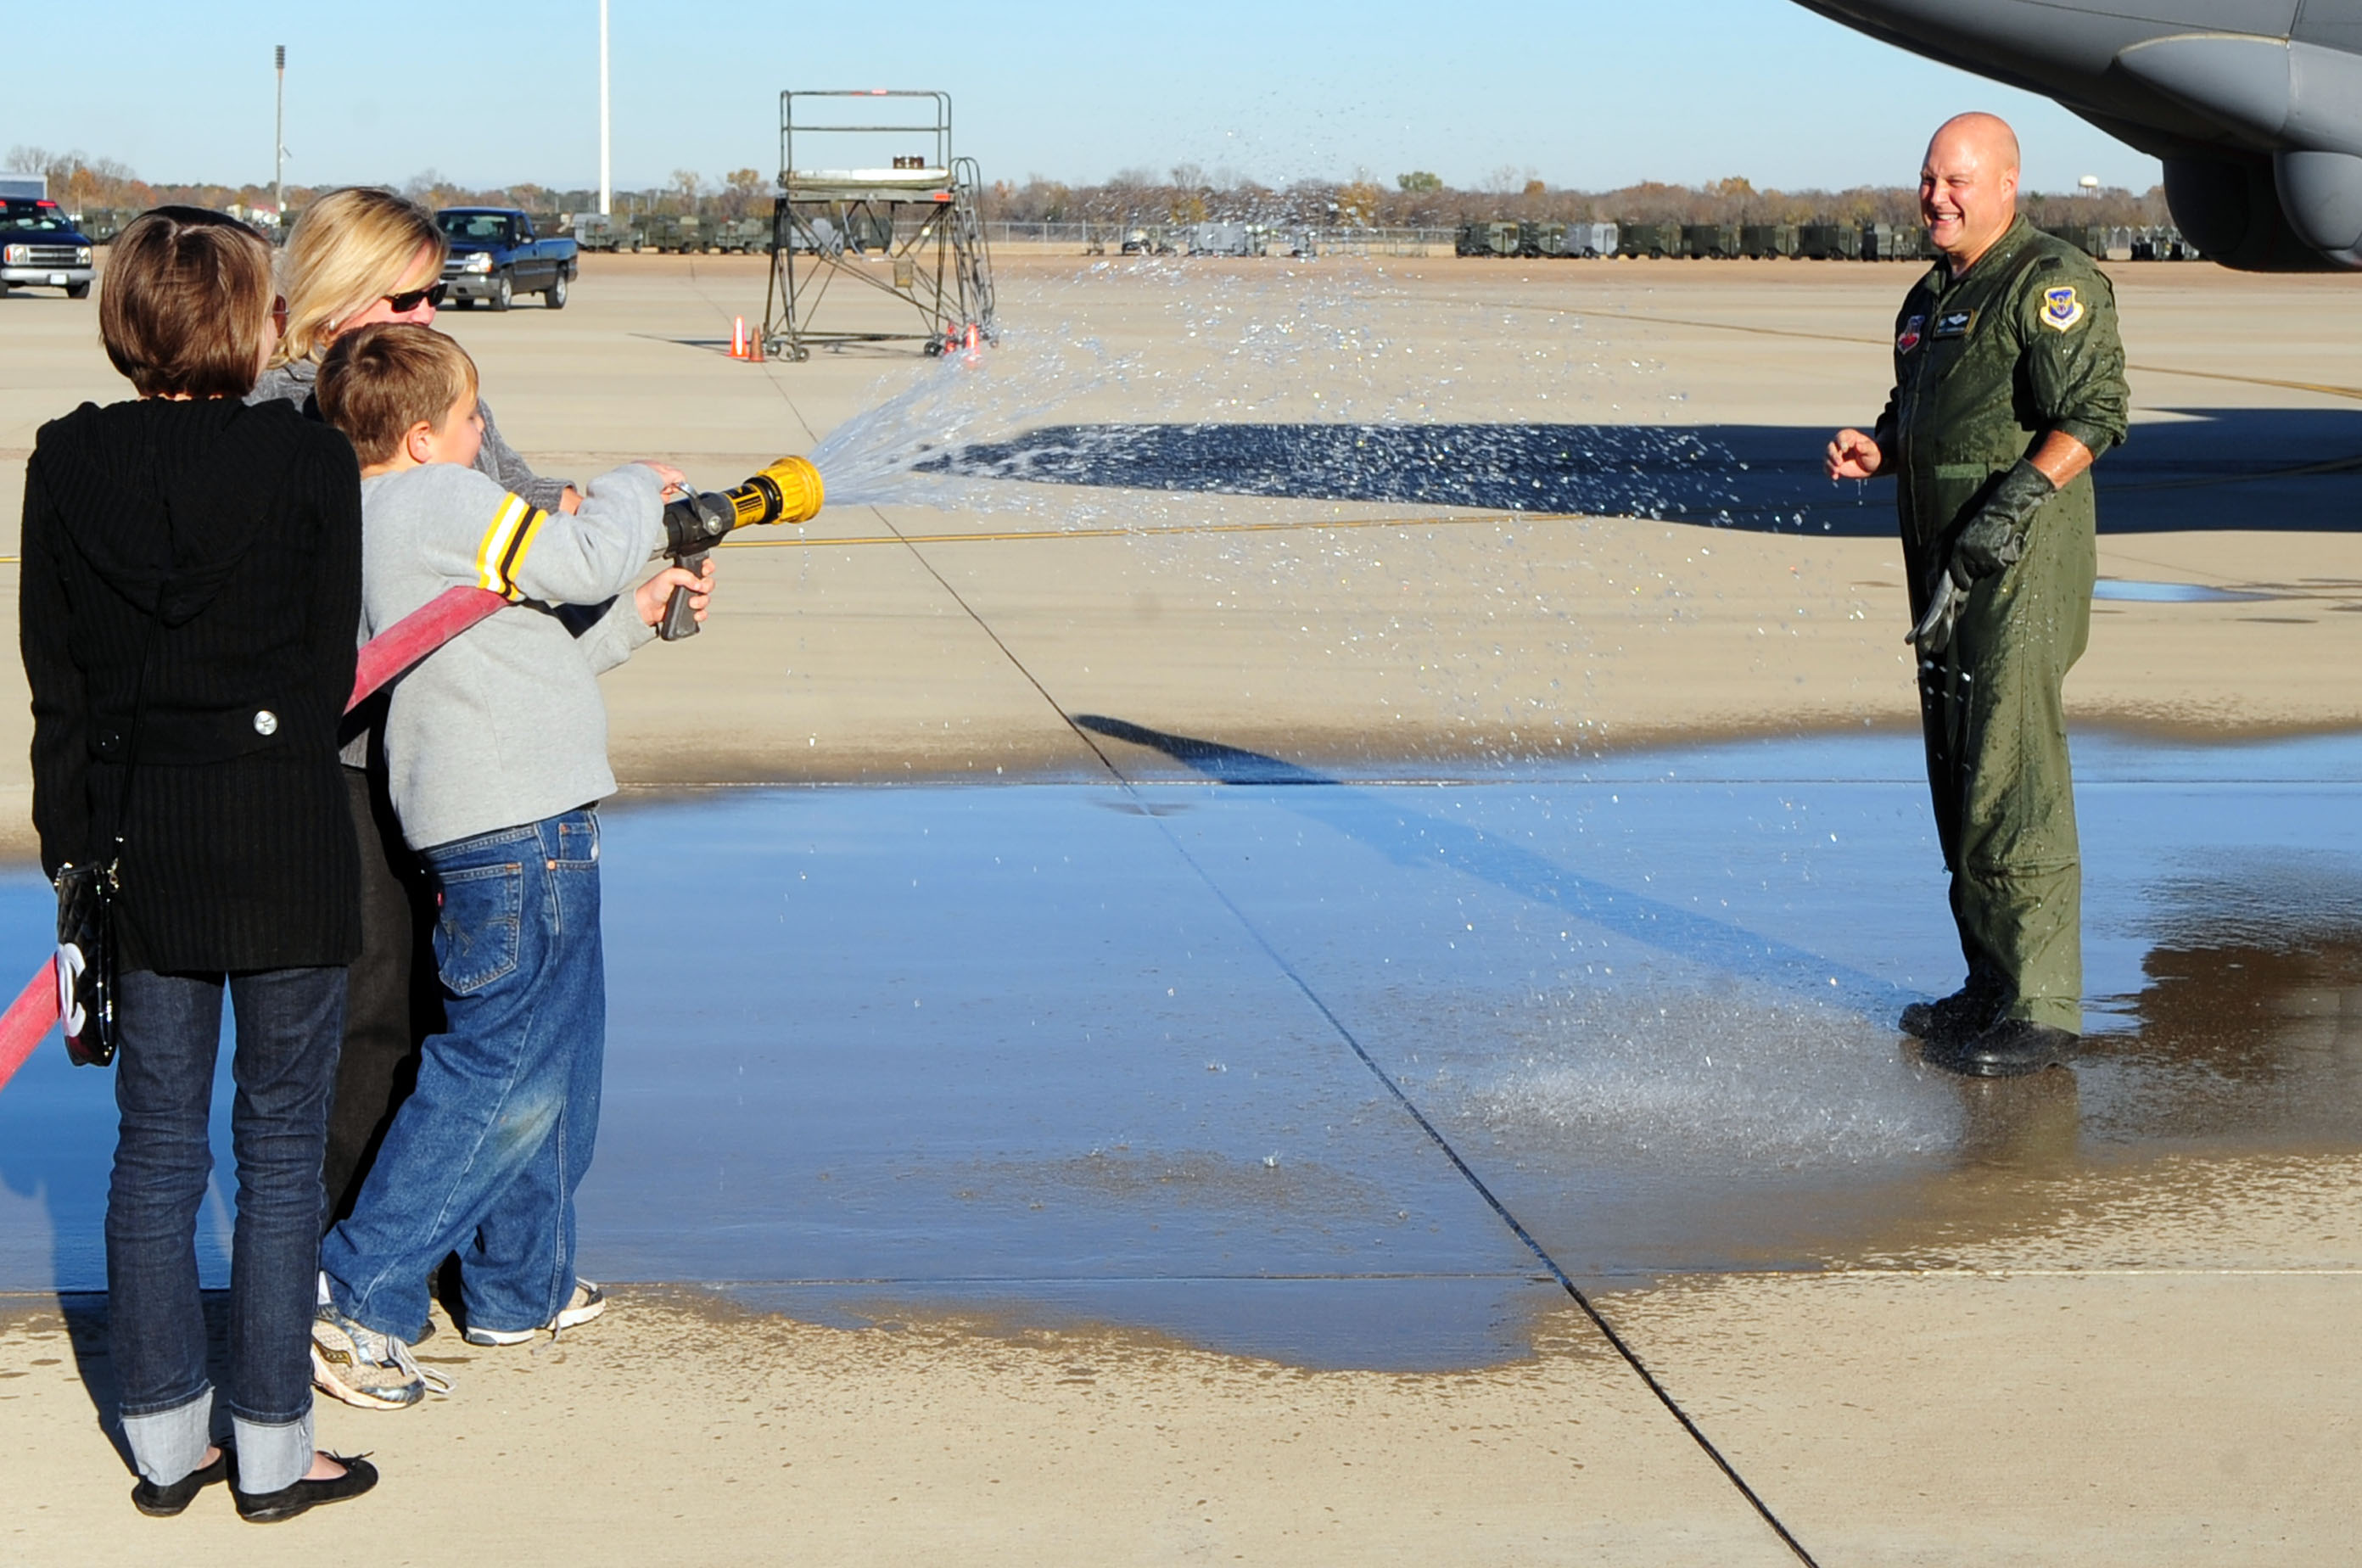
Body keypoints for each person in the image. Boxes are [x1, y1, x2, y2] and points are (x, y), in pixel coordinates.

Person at [20, 208, 377, 1520]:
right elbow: (323, 670)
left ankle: (168, 1446)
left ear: (123, 318)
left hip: (133, 838)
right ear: (253, 321)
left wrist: (75, 859)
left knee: (156, 1148)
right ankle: (275, 1454)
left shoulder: (65, 460)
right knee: (277, 1155)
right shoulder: (306, 460)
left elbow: (54, 685)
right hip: (279, 832)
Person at [304, 323, 710, 1408]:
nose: (491, 438)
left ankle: (516, 1288)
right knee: (506, 1067)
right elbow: (577, 555)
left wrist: (636, 616)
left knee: (553, 1059)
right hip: (518, 827)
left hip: (510, 809)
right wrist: (630, 484)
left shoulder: (379, 516)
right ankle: (358, 1296)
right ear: (429, 436)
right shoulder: (439, 500)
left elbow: (513, 658)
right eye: (479, 419)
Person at [248, 188, 583, 1232]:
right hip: (342, 762)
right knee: (367, 1013)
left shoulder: (425, 386)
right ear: (342, 296)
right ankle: (341, 1256)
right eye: (408, 297)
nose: (430, 315)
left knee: (467, 1008)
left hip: (451, 747)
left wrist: (625, 538)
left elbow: (517, 513)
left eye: (434, 294)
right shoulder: (274, 418)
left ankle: (435, 1241)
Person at [1824, 112, 2130, 1078]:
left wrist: (2017, 505)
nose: (1937, 198)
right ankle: (1989, 982)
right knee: (1959, 770)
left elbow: (2096, 412)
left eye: (1958, 180)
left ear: (2008, 184)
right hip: (1942, 565)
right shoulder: (1928, 298)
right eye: (1928, 180)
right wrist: (1879, 446)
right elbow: (1922, 412)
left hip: (2020, 563)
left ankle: (2040, 1006)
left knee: (2011, 767)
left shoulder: (2051, 283)